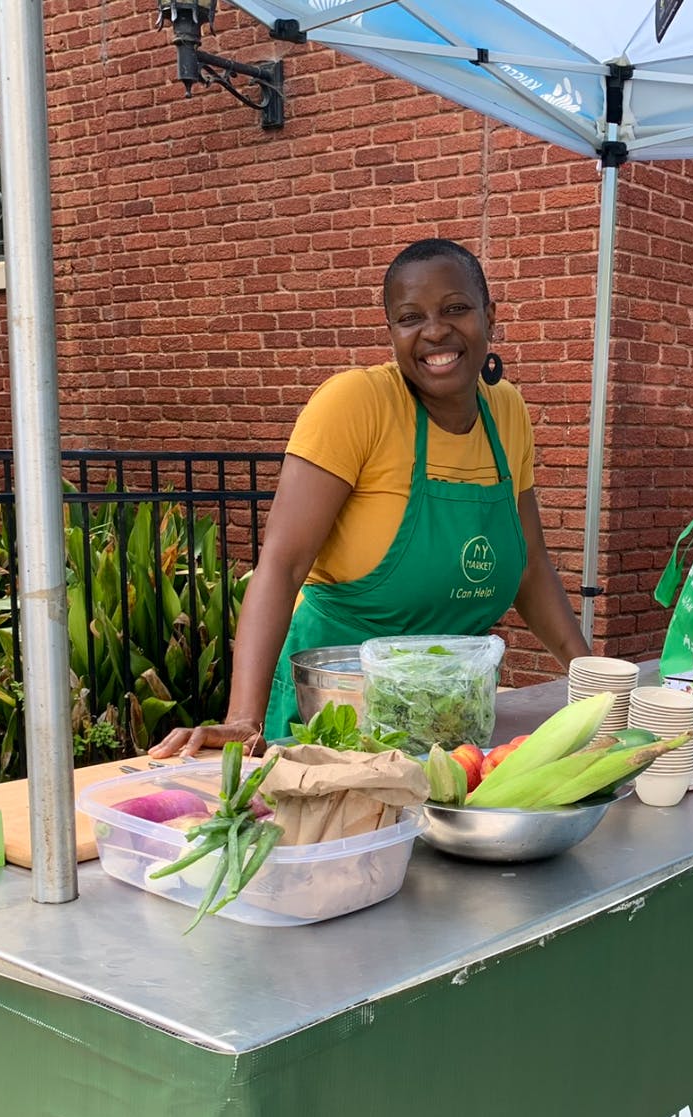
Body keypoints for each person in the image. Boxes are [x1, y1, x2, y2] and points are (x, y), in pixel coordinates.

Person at [152, 238, 591, 757]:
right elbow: (282, 565)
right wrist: (243, 717)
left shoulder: (507, 412)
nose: (434, 331)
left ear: (489, 316)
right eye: (411, 317)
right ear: (391, 332)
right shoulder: (356, 404)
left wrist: (593, 681)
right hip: (334, 713)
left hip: (452, 715)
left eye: (455, 308)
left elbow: (530, 567)